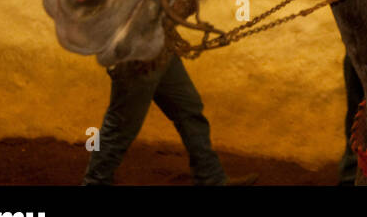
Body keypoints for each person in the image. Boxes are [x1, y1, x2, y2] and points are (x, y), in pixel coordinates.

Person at [83, 51, 254, 185]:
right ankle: (94, 183)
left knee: (189, 110)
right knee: (119, 129)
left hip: (163, 53)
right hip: (134, 60)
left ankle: (210, 177)